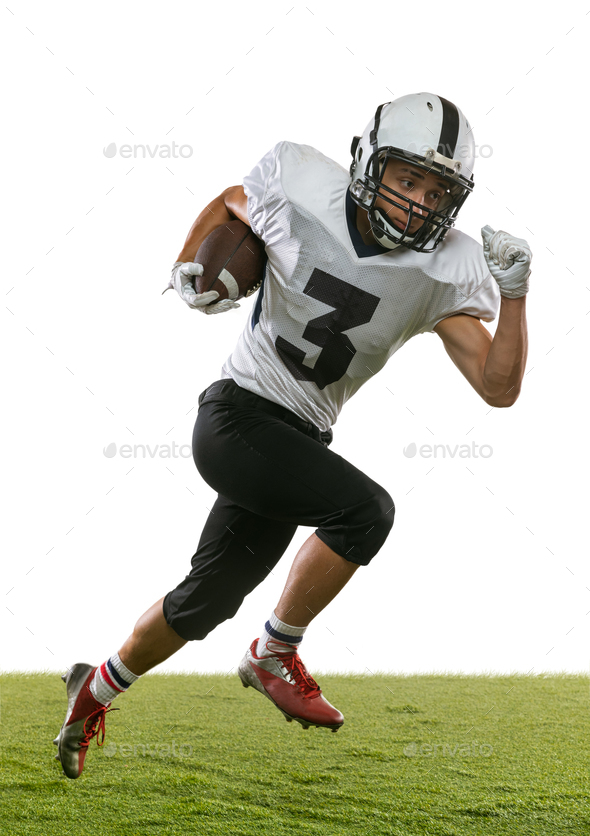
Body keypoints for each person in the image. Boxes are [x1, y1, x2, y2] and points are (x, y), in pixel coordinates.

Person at [54, 92, 531, 779]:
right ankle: (274, 651)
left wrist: (514, 296)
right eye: (405, 178)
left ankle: (90, 689)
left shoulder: (441, 270)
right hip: (236, 416)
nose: (418, 202)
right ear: (369, 162)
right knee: (366, 510)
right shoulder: (301, 187)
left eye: (437, 189)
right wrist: (191, 264)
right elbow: (230, 202)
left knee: (207, 597)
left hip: (298, 444)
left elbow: (498, 385)